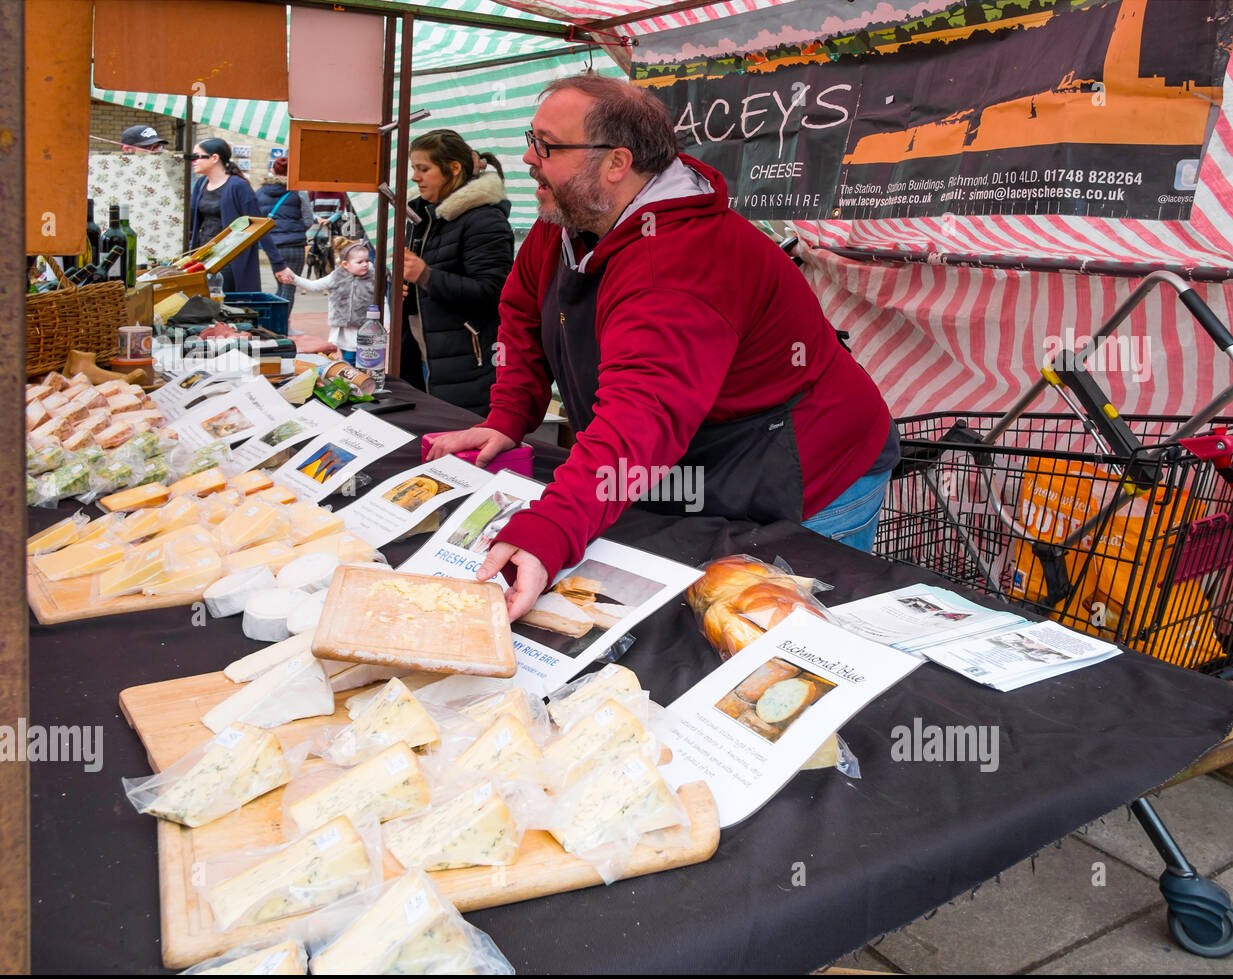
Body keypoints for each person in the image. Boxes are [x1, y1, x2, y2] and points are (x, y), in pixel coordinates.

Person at [429, 74, 899, 621]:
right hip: (693, 462)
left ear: (616, 163)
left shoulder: (679, 264)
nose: (528, 158)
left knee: (783, 638)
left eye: (546, 146)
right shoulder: (567, 219)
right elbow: (521, 315)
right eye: (533, 140)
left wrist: (551, 529)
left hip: (806, 466)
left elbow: (641, 416)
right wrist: (510, 415)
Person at [399, 129, 514, 414]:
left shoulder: (485, 220)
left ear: (453, 169)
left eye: (424, 169)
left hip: (469, 366)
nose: (415, 177)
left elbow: (493, 292)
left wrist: (425, 276)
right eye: (414, 168)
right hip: (427, 358)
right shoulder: (422, 216)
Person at [188, 137, 292, 295]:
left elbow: (259, 226)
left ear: (214, 158)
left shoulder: (238, 186)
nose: (193, 161)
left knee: (225, 304)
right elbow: (192, 224)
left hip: (229, 260)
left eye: (197, 156)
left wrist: (278, 264)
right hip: (204, 257)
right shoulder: (201, 184)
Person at [281, 240, 375, 364]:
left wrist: (387, 321)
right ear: (346, 264)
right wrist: (294, 278)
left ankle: (358, 378)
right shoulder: (336, 277)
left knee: (367, 359)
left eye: (367, 261)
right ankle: (352, 377)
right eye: (360, 262)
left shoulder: (372, 277)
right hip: (345, 331)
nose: (365, 265)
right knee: (349, 358)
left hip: (366, 328)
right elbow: (313, 285)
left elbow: (382, 299)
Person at [256, 156, 316, 318]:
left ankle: (275, 320)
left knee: (281, 285)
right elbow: (309, 219)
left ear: (273, 170)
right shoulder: (298, 192)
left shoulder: (260, 192)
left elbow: (258, 220)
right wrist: (297, 229)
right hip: (294, 245)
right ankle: (280, 324)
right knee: (289, 286)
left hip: (271, 246)